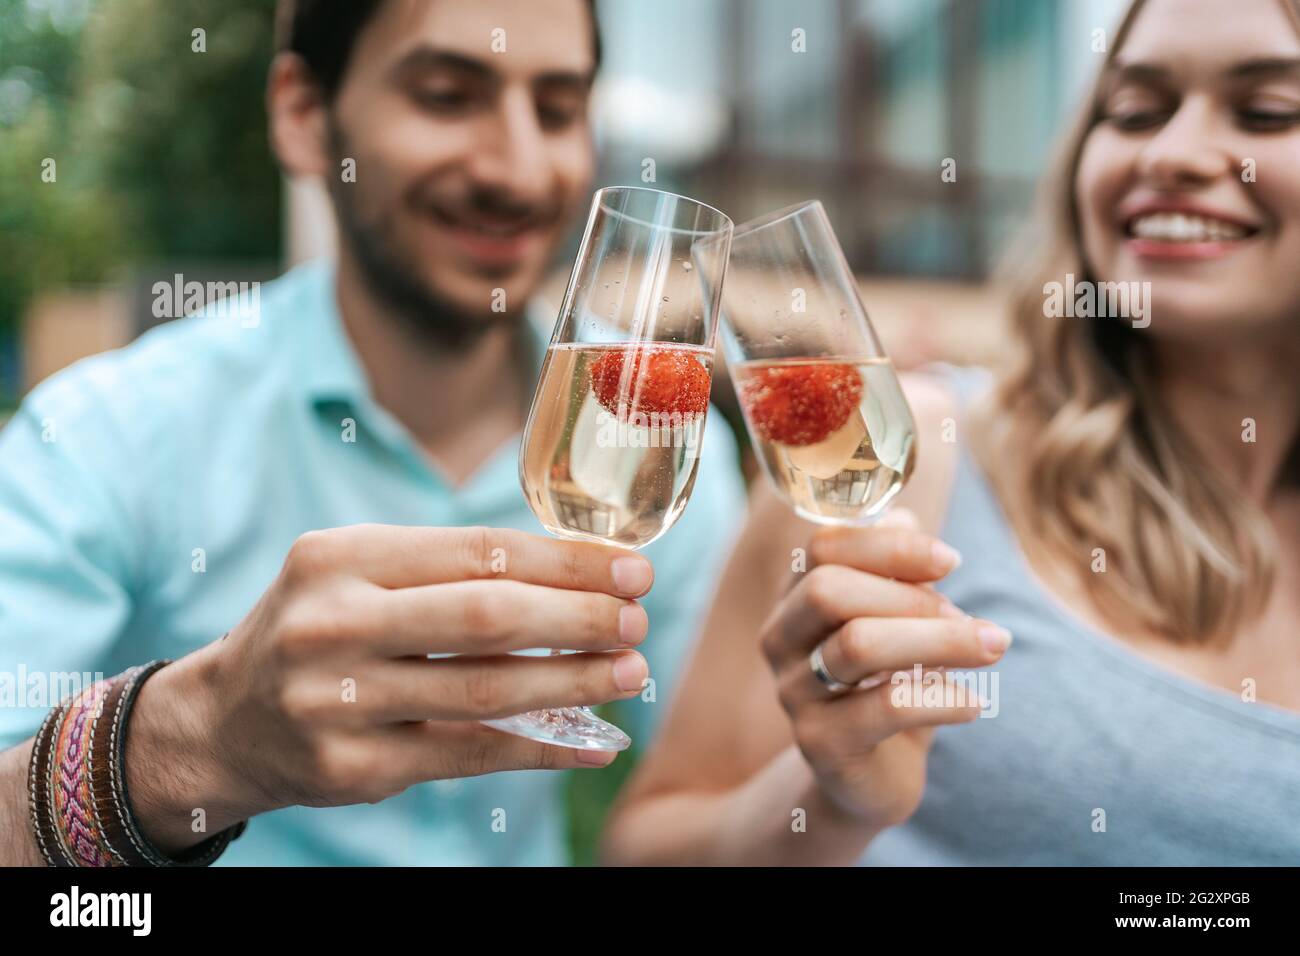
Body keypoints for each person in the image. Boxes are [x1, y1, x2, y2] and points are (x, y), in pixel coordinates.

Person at [0, 0, 745, 866]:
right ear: (305, 115)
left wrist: (830, 789)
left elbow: (696, 808)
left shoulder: (644, 419)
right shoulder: (106, 434)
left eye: (557, 108)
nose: (518, 168)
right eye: (445, 95)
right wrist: (196, 739)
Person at [603, 0, 1300, 866]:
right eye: (1133, 111)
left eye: (1267, 112)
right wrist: (832, 800)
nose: (1169, 152)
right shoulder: (903, 456)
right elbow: (642, 850)